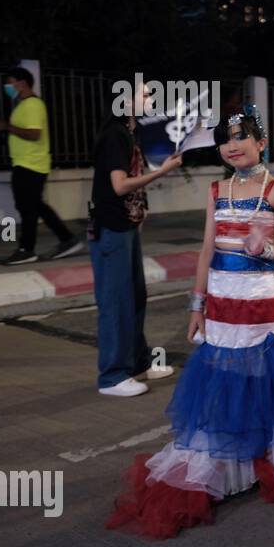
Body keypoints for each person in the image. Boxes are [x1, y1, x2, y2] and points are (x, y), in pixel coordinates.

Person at [106, 105, 274, 540]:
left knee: (268, 379)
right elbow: (206, 251)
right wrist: (196, 306)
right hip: (221, 303)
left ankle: (271, 456)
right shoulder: (217, 190)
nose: (232, 146)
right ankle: (230, 466)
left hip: (264, 303)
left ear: (261, 143)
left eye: (241, 137)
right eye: (224, 139)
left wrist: (267, 250)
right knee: (224, 379)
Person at [89, 92, 185, 397]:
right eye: (143, 93)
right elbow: (119, 186)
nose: (150, 96)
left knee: (135, 297)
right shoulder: (116, 134)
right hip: (111, 227)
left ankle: (138, 363)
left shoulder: (131, 132)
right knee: (116, 302)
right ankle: (112, 376)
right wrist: (163, 171)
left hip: (125, 225)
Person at [0, 67, 82, 264]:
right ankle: (66, 239)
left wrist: (6, 126)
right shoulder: (23, 104)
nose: (7, 86)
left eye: (10, 82)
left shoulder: (32, 105)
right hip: (27, 162)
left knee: (28, 207)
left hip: (30, 163)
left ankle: (27, 249)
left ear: (22, 82)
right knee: (33, 205)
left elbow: (34, 134)